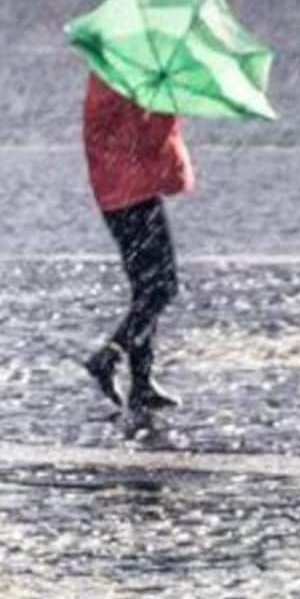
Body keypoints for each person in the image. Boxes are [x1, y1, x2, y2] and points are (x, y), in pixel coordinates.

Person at [81, 71, 189, 411]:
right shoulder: (128, 85)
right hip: (135, 196)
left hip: (116, 194)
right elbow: (149, 140)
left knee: (145, 290)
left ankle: (141, 382)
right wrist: (166, 102)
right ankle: (111, 354)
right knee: (162, 287)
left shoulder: (105, 80)